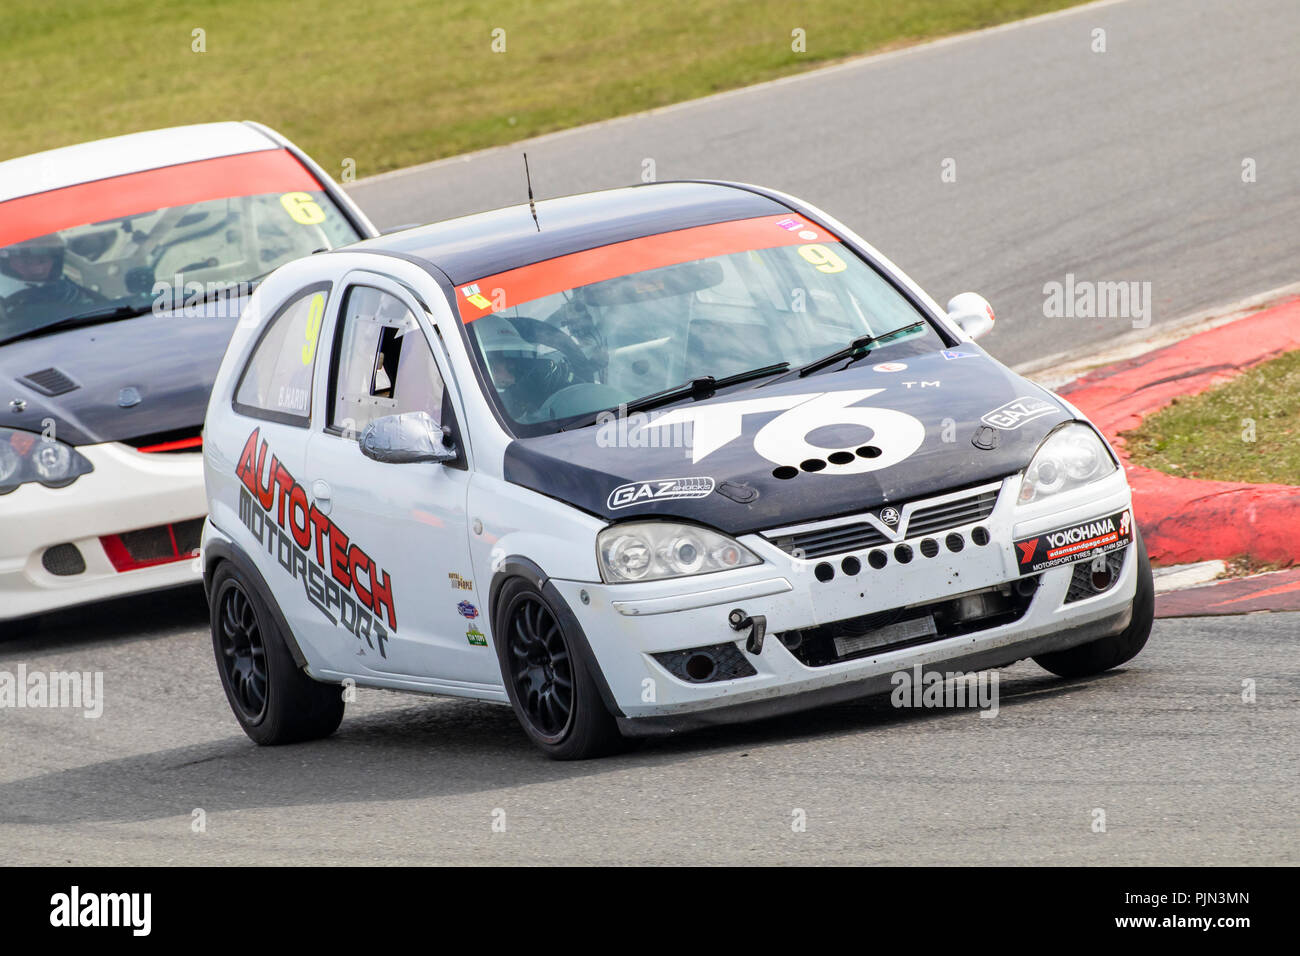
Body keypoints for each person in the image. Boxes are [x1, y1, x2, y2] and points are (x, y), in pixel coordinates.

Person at [0, 233, 104, 330]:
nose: (38, 270)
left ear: (55, 260)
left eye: (43, 261)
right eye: (27, 262)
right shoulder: (5, 309)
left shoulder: (74, 292)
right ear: (10, 262)